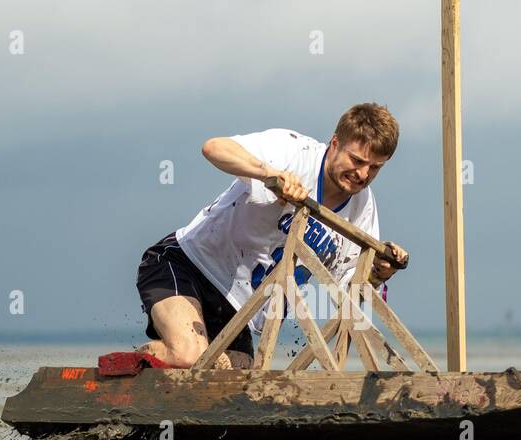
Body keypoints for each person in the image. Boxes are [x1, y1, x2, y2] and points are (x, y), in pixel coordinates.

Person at [135, 102, 407, 368]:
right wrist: (271, 175)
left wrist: (378, 272)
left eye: (374, 167)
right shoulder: (293, 152)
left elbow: (350, 290)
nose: (362, 174)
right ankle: (133, 366)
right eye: (357, 160)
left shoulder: (363, 209)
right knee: (189, 356)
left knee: (238, 372)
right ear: (335, 143)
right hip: (189, 265)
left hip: (238, 309)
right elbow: (214, 148)